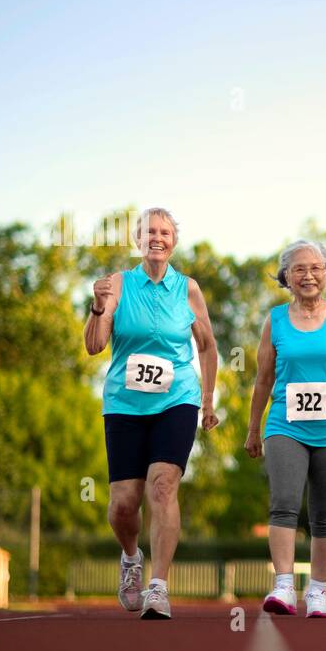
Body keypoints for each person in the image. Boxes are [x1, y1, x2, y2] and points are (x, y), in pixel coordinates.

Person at [84, 207, 219, 620]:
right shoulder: (118, 285)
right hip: (125, 403)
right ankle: (131, 558)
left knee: (162, 487)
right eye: (148, 232)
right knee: (124, 504)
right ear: (137, 239)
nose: (156, 238)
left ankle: (158, 586)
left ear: (173, 240)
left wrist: (209, 399)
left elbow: (208, 346)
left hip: (176, 399)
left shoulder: (189, 289)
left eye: (164, 232)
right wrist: (97, 306)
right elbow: (94, 346)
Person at [245, 240, 326, 617]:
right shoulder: (275, 320)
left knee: (325, 513)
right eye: (299, 269)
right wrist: (254, 428)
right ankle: (283, 586)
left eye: (315, 267)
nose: (308, 275)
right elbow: (263, 379)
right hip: (286, 424)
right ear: (286, 277)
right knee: (283, 502)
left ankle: (317, 591)